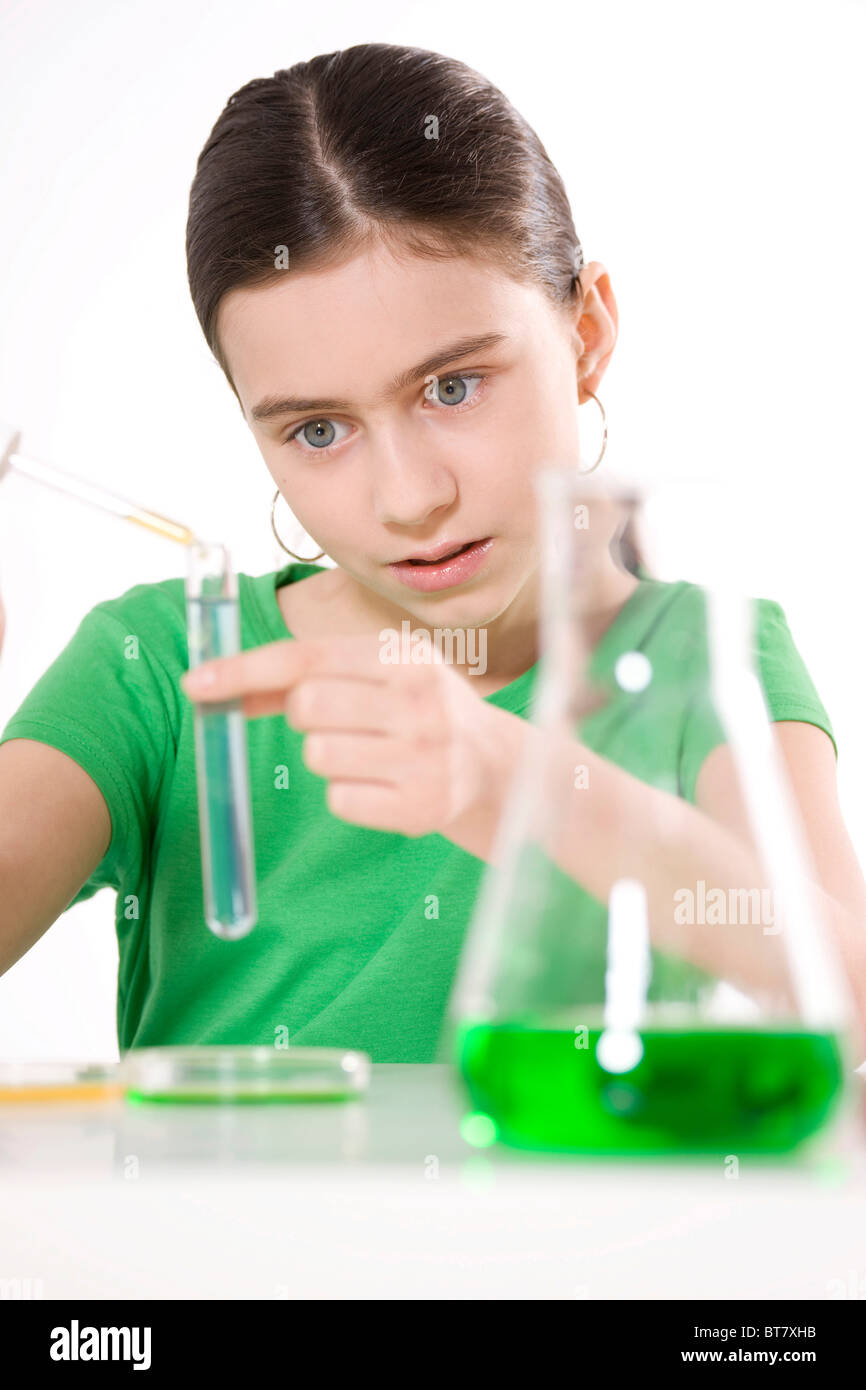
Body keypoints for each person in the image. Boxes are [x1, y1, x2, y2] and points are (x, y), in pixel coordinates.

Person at [2, 43, 865, 1069]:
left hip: (578, 1236)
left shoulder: (699, 660)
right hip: (209, 1237)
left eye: (452, 387)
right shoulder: (161, 666)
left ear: (585, 332)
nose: (409, 499)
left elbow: (846, 994)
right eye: (317, 431)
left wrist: (510, 777)